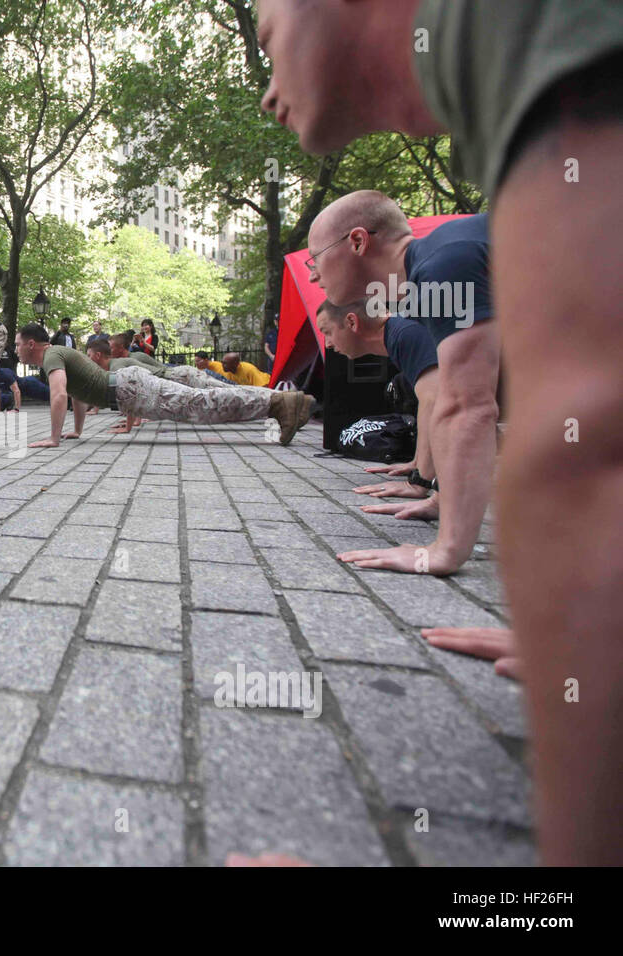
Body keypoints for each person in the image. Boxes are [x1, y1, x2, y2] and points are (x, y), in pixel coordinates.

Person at [257, 0, 623, 865]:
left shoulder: (500, 31)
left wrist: (446, 553)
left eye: (265, 36)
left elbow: (497, 416)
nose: (269, 91)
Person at [300, 192, 495, 578]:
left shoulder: (443, 265)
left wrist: (445, 550)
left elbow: (467, 407)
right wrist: (436, 494)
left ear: (357, 241)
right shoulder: (431, 276)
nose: (312, 274)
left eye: (315, 257)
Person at [16, 324, 311, 447]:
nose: (15, 350)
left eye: (17, 345)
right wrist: (77, 431)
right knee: (202, 399)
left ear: (31, 344)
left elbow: (58, 395)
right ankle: (281, 401)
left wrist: (53, 438)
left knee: (201, 404)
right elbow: (76, 393)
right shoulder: (59, 355)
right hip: (127, 389)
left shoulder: (52, 354)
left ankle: (278, 403)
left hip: (128, 389)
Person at [315, 298, 440, 521]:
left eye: (328, 332)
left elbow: (436, 403)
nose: (328, 344)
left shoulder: (405, 334)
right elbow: (426, 405)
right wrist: (417, 464)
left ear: (352, 322)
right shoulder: (400, 333)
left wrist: (419, 482)